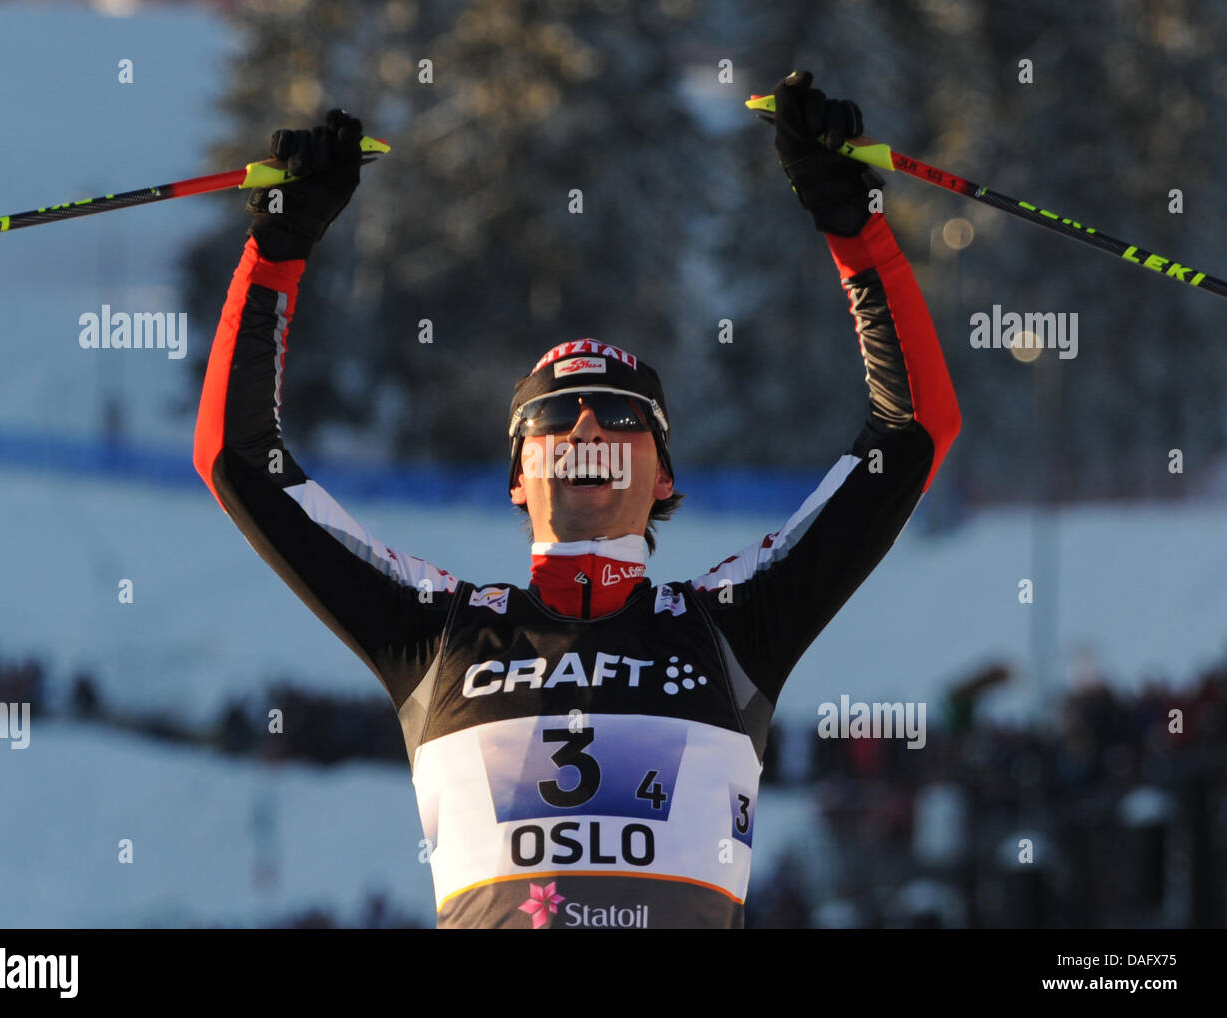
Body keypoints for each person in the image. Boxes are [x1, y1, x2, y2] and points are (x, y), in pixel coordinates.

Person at [193, 71, 960, 929]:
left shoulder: (734, 625)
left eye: (624, 413)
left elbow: (915, 429)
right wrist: (278, 250)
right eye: (554, 414)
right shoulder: (439, 632)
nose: (588, 418)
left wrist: (854, 227)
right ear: (518, 476)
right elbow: (237, 462)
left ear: (663, 477)